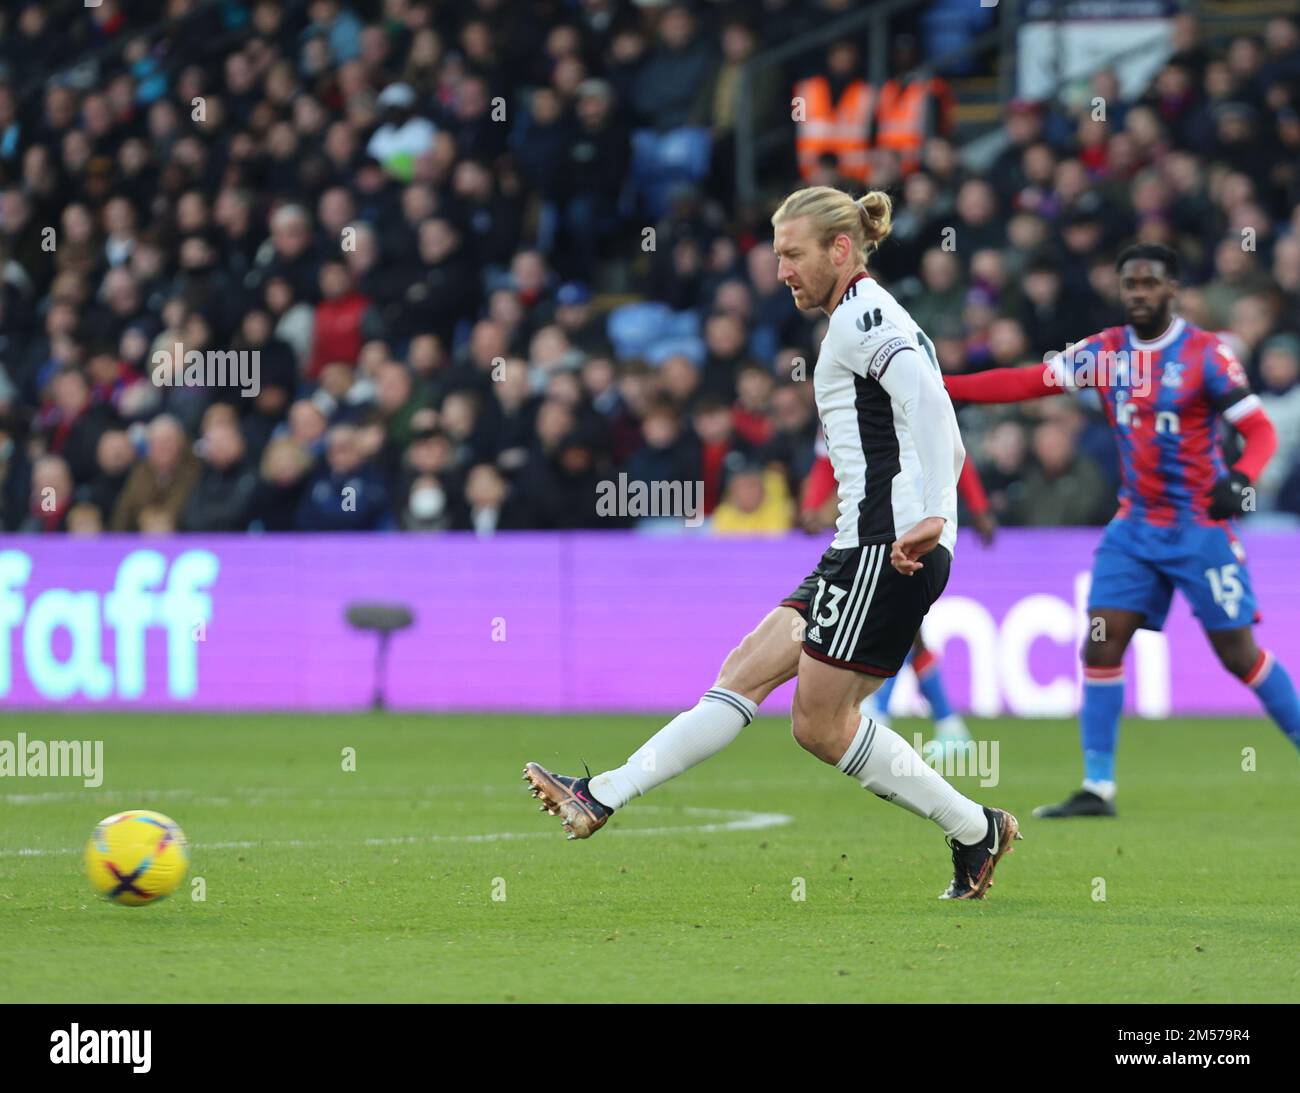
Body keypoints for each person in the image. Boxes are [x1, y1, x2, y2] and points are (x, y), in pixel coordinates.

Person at [524, 186, 1021, 901]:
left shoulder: (864, 316)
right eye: (777, 253)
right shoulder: (862, 317)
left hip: (887, 549)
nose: (781, 269)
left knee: (820, 725)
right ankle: (601, 792)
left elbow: (934, 404)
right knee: (742, 671)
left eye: (793, 254)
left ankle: (975, 828)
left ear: (839, 250)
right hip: (862, 545)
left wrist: (936, 513)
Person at [942, 242, 1299, 817]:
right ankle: (1098, 787)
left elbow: (1259, 431)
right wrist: (945, 386)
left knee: (1238, 655)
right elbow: (1027, 382)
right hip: (1134, 525)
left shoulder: (1207, 355)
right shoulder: (1106, 353)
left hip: (1198, 528)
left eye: (1149, 283)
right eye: (1129, 283)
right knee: (1102, 640)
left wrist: (1242, 476)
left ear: (1173, 289)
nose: (1138, 293)